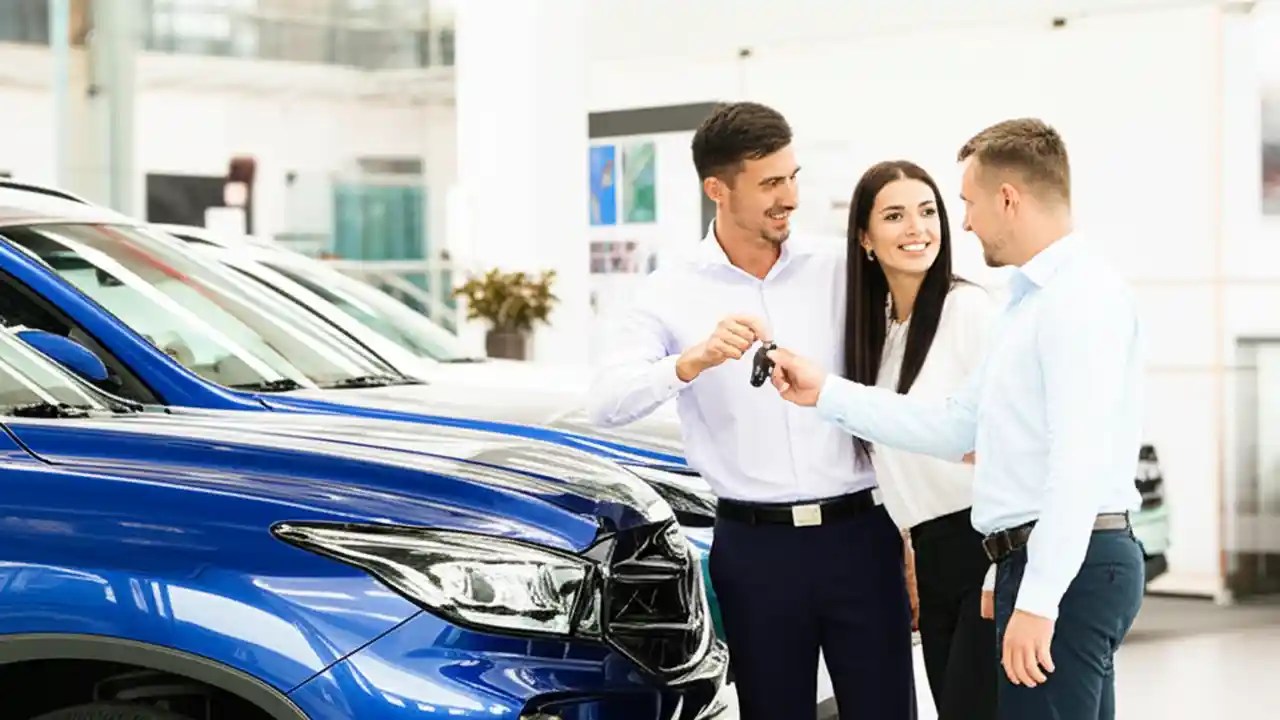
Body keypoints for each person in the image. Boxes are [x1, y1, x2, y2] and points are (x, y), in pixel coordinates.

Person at [766, 118, 1146, 720]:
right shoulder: (1029, 306)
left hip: (1067, 562)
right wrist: (827, 394)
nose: (962, 222)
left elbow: (1080, 462)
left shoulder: (1078, 300)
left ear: (1008, 199)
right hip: (1034, 557)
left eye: (965, 204)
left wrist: (1040, 599)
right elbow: (954, 426)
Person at [586, 101, 915, 719]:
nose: (788, 196)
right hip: (755, 551)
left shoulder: (842, 269)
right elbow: (607, 401)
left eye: (793, 176)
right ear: (717, 188)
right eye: (769, 183)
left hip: (861, 538)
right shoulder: (668, 289)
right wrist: (692, 361)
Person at [843, 159, 1000, 719]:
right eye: (895, 216)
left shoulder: (968, 309)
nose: (917, 228)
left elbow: (1010, 445)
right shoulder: (879, 332)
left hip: (986, 546)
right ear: (864, 237)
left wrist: (1000, 567)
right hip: (930, 554)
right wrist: (910, 546)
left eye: (928, 211)